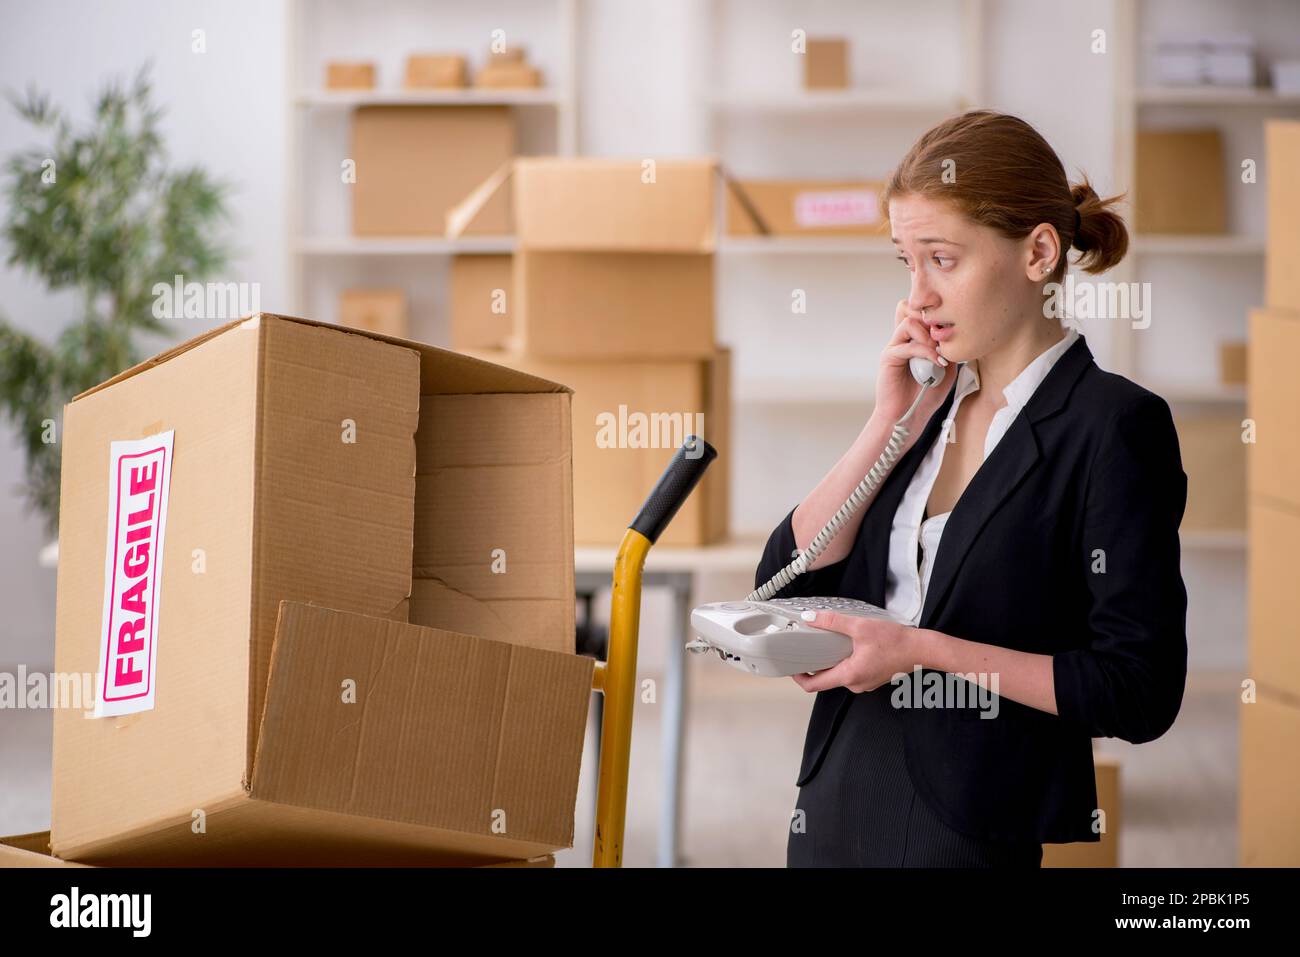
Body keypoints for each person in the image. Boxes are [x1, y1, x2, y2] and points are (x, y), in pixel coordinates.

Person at [758, 110, 1189, 867]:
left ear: (1039, 252)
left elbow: (1137, 690)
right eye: (905, 262)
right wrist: (887, 419)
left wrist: (921, 650)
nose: (917, 295)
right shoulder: (928, 403)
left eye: (942, 259)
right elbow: (780, 581)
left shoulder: (1114, 426)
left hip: (967, 816)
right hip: (837, 786)